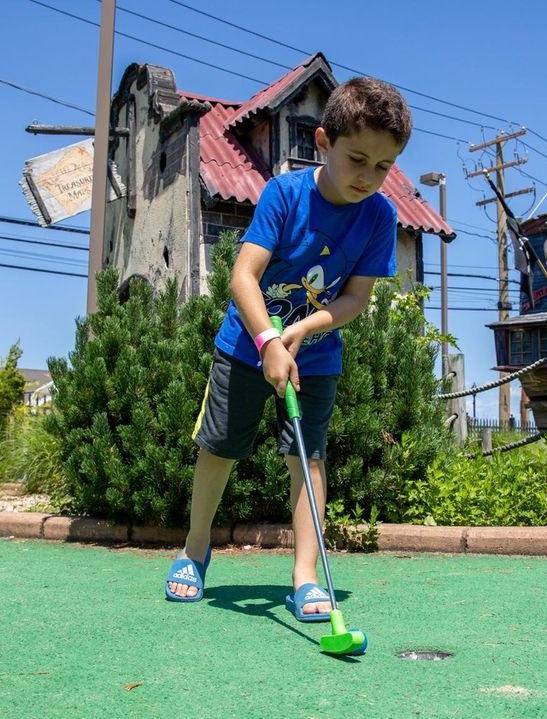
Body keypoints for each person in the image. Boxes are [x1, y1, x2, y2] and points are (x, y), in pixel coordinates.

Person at [164, 77, 411, 622]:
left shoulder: (380, 217)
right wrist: (270, 340)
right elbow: (243, 278)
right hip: (245, 345)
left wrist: (307, 329)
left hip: (315, 355)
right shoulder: (284, 194)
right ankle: (195, 548)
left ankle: (304, 576)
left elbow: (354, 300)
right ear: (323, 142)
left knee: (308, 457)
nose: (369, 178)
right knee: (220, 448)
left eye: (383, 168)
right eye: (357, 160)